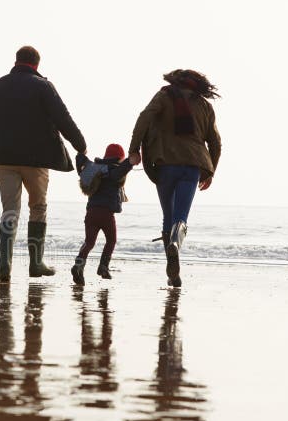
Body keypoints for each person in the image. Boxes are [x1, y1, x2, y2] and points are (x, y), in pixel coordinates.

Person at [0, 46, 87, 283]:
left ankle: (4, 263)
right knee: (38, 207)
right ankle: (36, 264)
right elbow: (62, 119)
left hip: (3, 159)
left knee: (10, 210)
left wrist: (2, 131)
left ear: (16, 61)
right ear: (37, 64)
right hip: (36, 160)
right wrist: (80, 146)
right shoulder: (43, 87)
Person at [127, 69, 221, 287]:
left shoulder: (163, 96)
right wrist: (211, 170)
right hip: (192, 166)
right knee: (181, 218)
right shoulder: (205, 106)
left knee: (167, 217)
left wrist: (134, 149)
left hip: (165, 164)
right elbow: (215, 142)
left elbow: (144, 117)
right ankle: (176, 248)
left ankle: (172, 272)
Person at [70, 143, 133, 285]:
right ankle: (103, 266)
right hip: (106, 215)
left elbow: (81, 165)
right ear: (119, 159)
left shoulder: (94, 170)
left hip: (91, 212)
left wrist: (81, 153)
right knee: (111, 240)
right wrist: (130, 162)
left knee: (89, 242)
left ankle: (78, 266)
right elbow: (120, 171)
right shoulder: (113, 171)